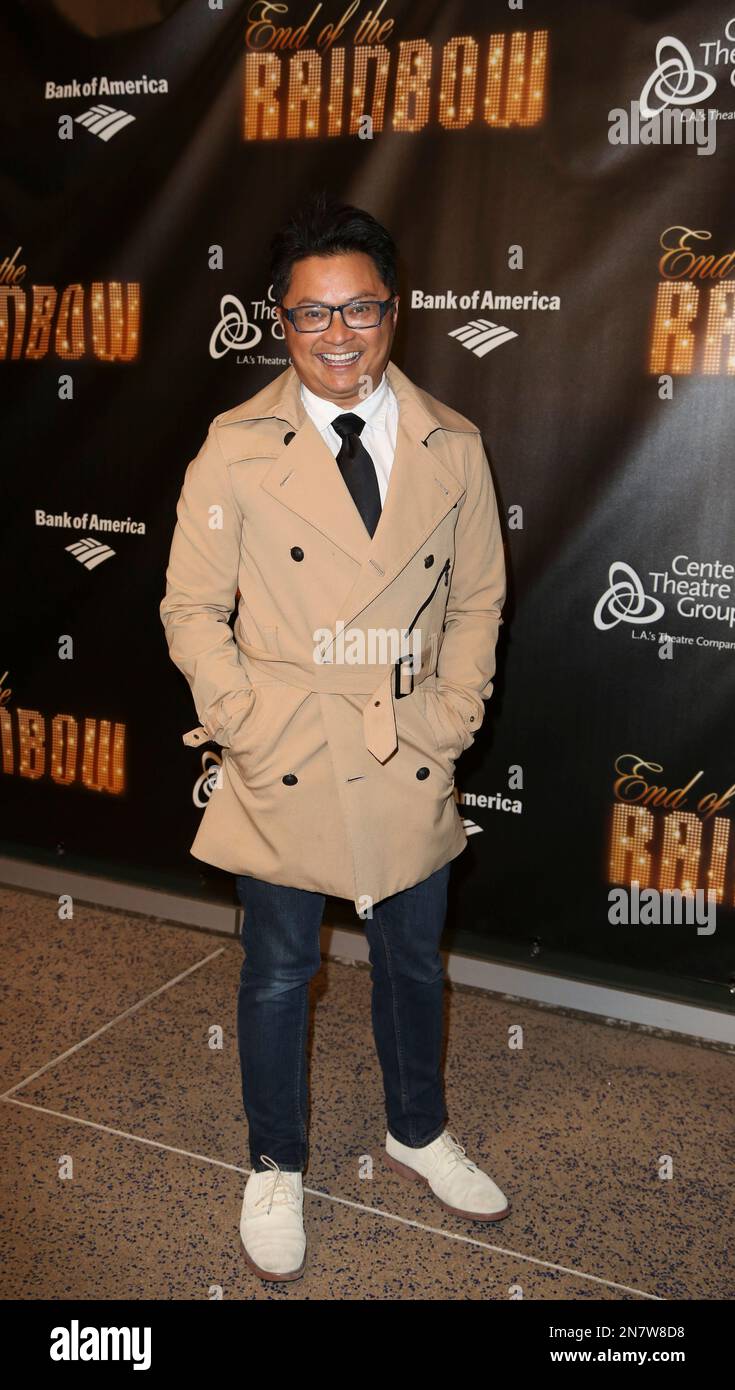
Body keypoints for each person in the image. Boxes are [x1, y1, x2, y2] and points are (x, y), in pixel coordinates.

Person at [159, 191, 509, 1283]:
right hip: (289, 748)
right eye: (312, 315)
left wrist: (450, 719)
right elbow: (188, 608)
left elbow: (479, 601)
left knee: (411, 959)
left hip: (405, 739)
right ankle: (274, 1160)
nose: (338, 335)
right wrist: (248, 722)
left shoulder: (454, 445)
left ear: (393, 313)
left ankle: (416, 1131)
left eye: (360, 309)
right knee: (276, 969)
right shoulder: (233, 448)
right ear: (280, 322)